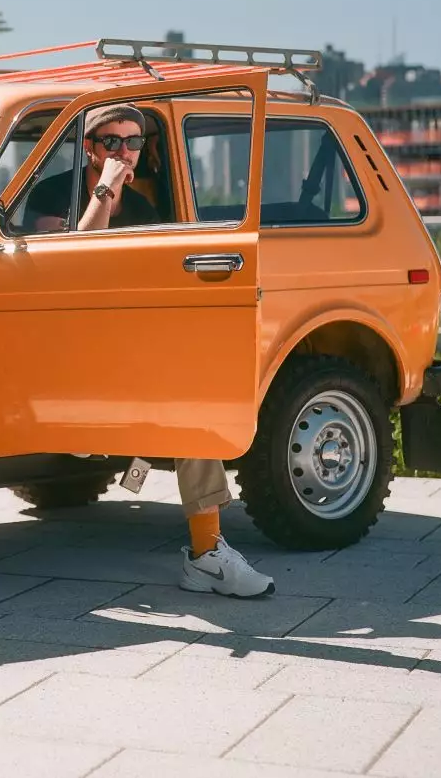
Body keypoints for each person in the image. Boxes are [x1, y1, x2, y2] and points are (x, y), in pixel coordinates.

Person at [24, 103, 275, 598]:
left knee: (193, 402)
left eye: (134, 143)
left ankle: (207, 553)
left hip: (125, 345)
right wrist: (106, 186)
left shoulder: (142, 210)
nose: (124, 151)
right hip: (61, 343)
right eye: (112, 142)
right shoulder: (52, 192)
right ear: (89, 147)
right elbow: (79, 254)